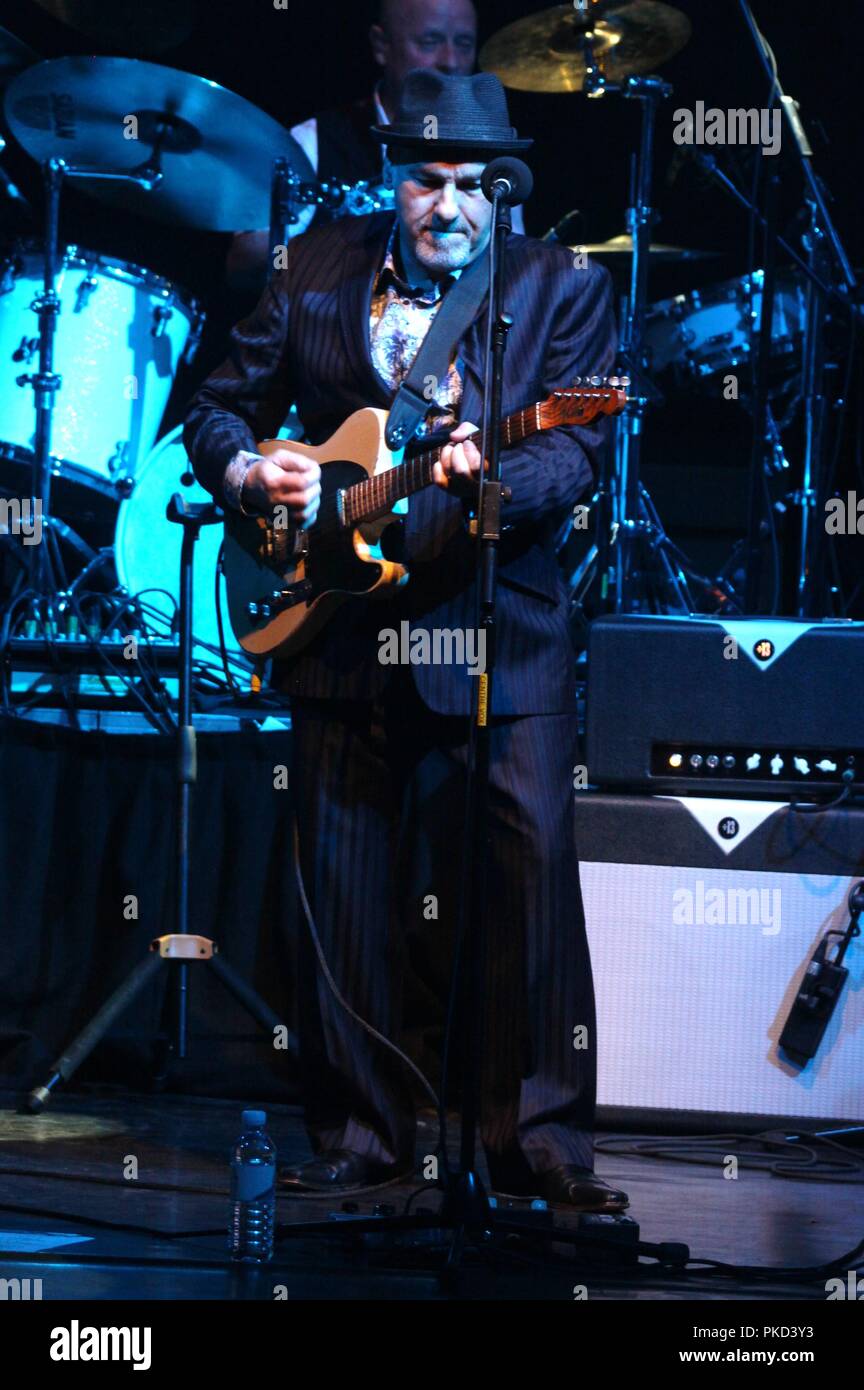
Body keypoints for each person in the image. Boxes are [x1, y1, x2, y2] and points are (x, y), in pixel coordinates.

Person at [184, 69, 627, 1212]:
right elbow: (218, 403)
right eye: (428, 179)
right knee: (341, 888)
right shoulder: (315, 263)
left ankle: (537, 1146)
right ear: (391, 175)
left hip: (497, 629)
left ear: (505, 188)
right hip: (332, 619)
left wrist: (482, 489)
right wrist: (246, 469)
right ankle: (362, 1138)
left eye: (477, 185)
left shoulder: (556, 284)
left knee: (530, 885)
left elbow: (574, 453)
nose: (452, 206)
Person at [226, 0, 523, 292]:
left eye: (464, 43)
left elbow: (512, 266)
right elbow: (245, 264)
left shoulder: (493, 152)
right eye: (430, 41)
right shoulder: (315, 140)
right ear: (382, 46)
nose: (451, 60)